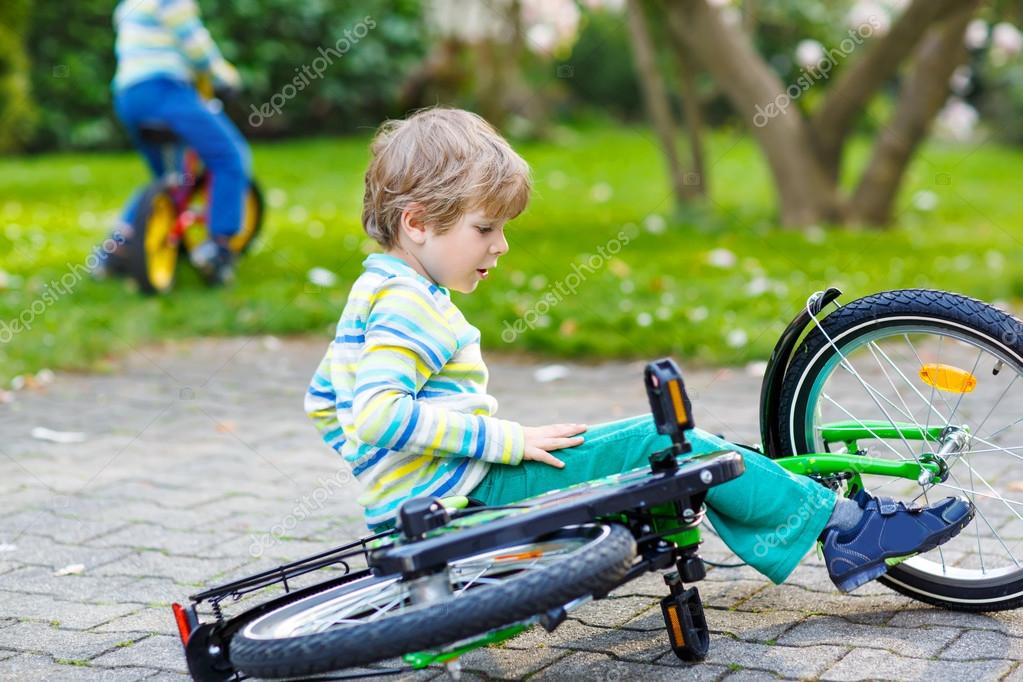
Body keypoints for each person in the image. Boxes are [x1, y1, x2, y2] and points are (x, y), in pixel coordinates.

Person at [304, 107, 973, 593]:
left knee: (663, 448)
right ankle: (848, 529)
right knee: (679, 449)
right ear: (416, 222)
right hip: (468, 492)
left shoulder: (379, 292)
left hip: (435, 493)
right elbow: (375, 416)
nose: (500, 247)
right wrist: (499, 441)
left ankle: (822, 520)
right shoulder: (408, 307)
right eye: (485, 229)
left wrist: (385, 480)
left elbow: (325, 405)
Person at [93, 0, 250, 285]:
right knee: (229, 158)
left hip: (129, 97)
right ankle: (218, 250)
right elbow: (196, 46)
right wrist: (224, 76)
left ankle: (116, 249)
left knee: (167, 179)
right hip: (165, 90)